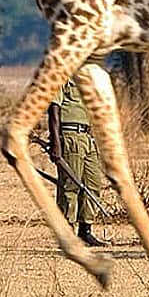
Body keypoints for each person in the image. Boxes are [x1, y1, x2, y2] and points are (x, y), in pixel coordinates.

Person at [47, 77, 105, 247]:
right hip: (70, 136)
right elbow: (53, 109)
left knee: (93, 183)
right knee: (70, 185)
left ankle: (85, 231)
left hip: (87, 137)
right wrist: (56, 142)